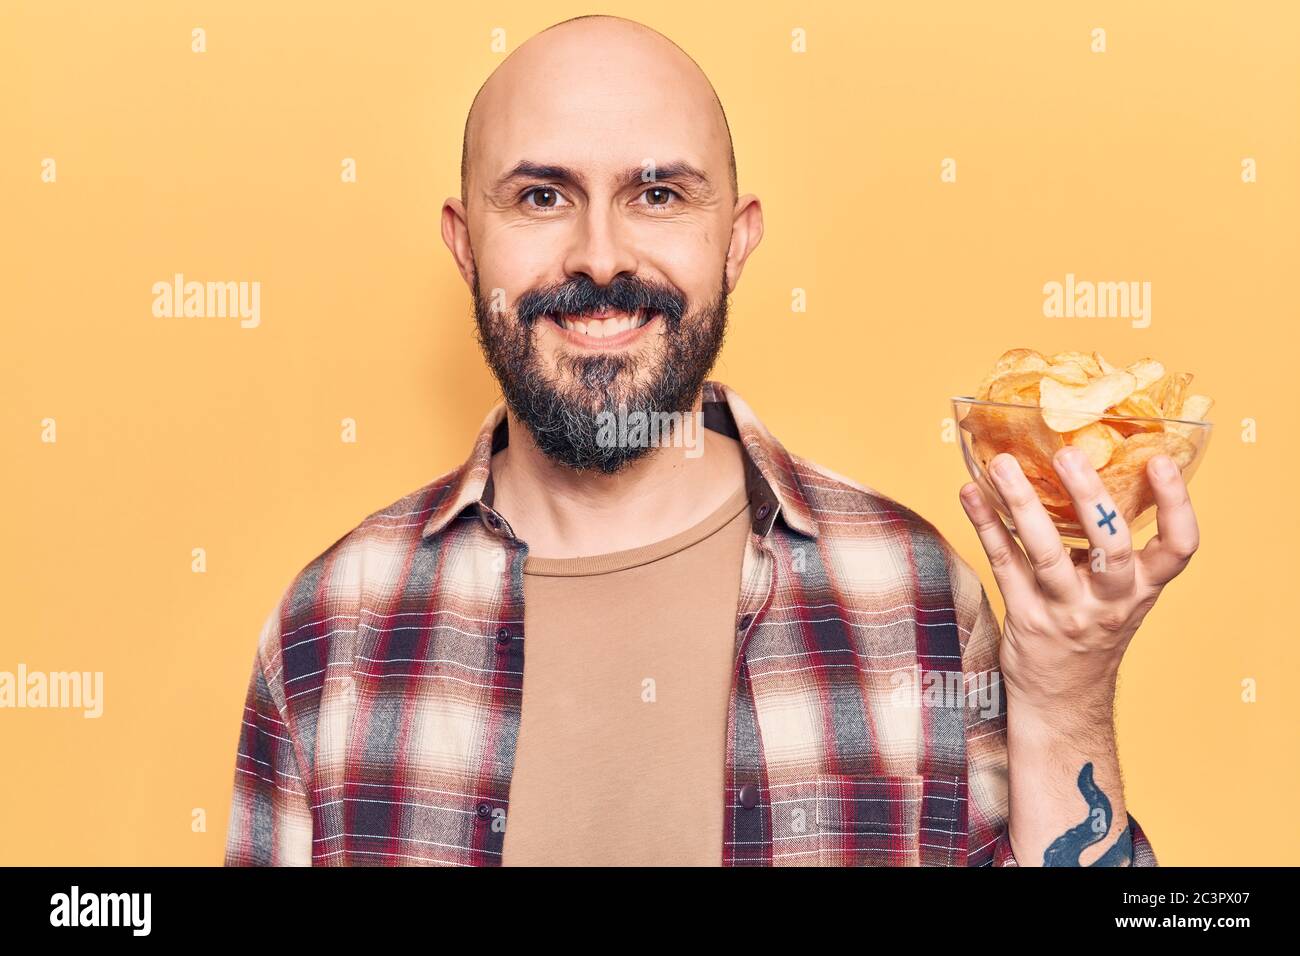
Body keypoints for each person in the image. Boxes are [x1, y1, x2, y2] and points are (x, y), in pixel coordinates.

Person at [224, 14, 1197, 866]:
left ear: (735, 240)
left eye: (657, 195)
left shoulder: (914, 596)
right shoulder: (332, 628)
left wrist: (1067, 689)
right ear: (463, 241)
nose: (600, 255)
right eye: (539, 196)